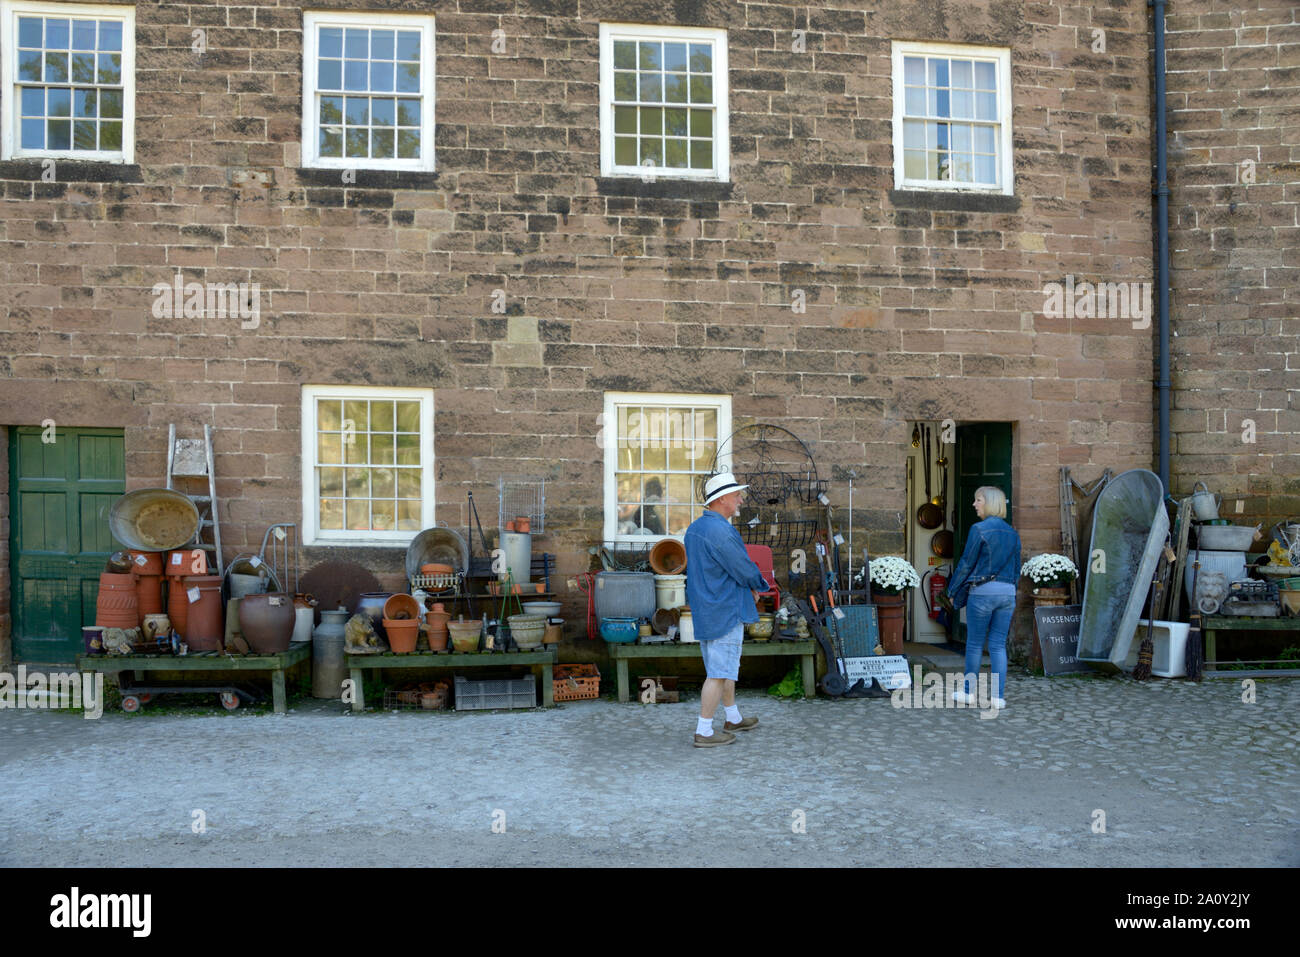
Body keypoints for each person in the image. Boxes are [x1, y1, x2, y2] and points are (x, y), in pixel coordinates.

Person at [683, 472, 770, 747]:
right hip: (725, 608)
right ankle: (704, 731)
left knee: (723, 668)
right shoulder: (721, 530)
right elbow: (742, 567)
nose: (741, 500)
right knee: (720, 673)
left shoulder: (695, 529)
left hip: (707, 608)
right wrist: (759, 585)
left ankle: (732, 717)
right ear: (722, 499)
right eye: (736, 496)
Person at [946, 485, 1021, 709]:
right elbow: (1017, 569)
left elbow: (966, 563)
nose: (974, 504)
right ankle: (998, 697)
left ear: (989, 502)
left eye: (978, 500)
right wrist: (1010, 590)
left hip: (982, 592)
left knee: (975, 643)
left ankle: (968, 692)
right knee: (998, 645)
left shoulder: (978, 529)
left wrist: (952, 591)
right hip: (1007, 593)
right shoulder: (1013, 533)